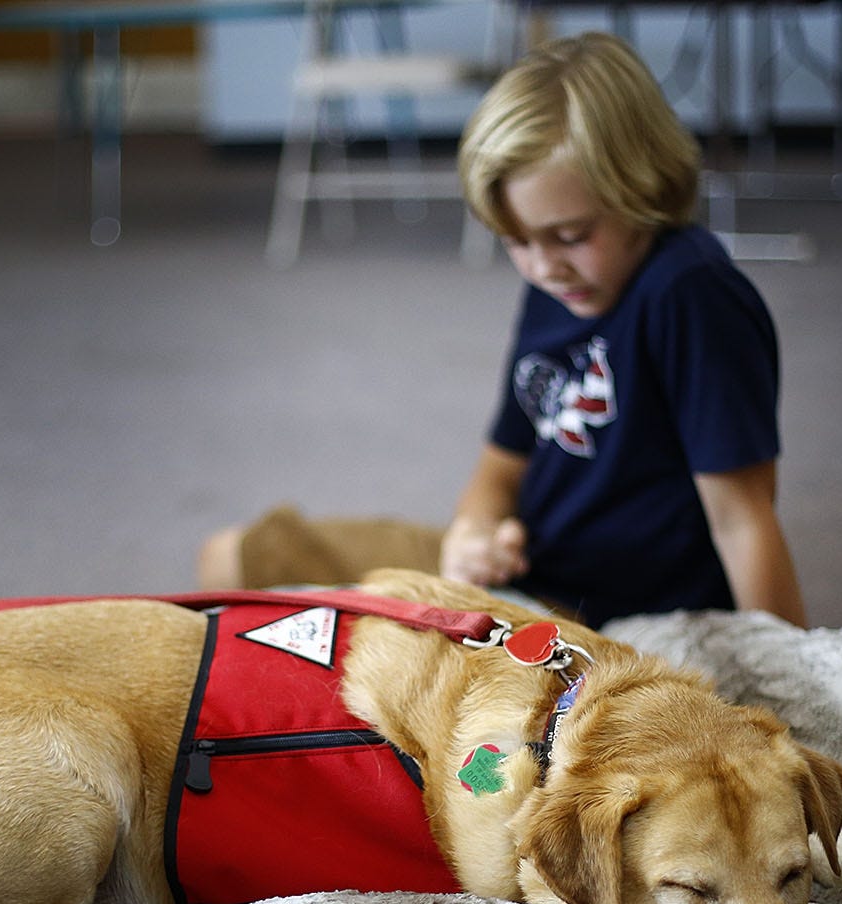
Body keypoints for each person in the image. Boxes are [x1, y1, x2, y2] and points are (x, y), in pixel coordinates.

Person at [198, 32, 806, 629]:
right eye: (517, 242)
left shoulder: (690, 294)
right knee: (230, 559)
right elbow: (502, 465)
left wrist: (797, 680)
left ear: (643, 185)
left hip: (597, 620)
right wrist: (472, 532)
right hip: (519, 573)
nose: (543, 267)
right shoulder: (557, 286)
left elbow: (743, 519)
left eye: (570, 236)